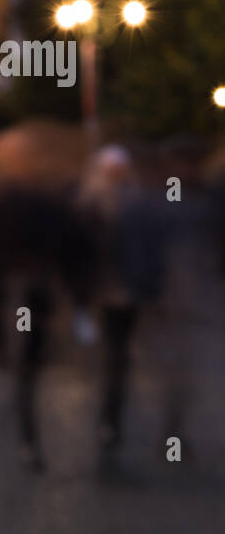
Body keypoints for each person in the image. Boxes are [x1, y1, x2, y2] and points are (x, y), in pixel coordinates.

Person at [75, 146, 165, 455]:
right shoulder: (90, 203)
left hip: (129, 288)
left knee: (120, 349)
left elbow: (152, 246)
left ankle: (113, 409)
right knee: (114, 350)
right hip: (104, 288)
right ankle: (109, 413)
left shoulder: (139, 201)